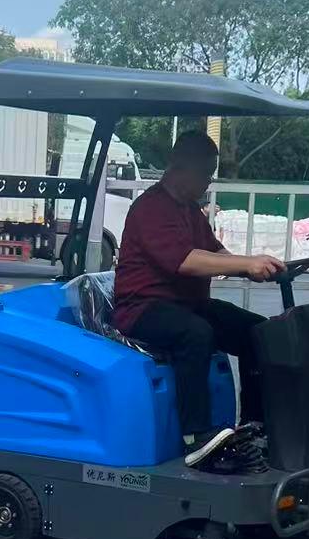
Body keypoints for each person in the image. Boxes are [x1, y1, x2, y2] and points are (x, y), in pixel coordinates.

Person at [111, 130, 285, 466]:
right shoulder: (151, 208)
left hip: (186, 306)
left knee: (257, 331)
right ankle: (196, 437)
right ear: (182, 167)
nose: (208, 182)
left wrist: (253, 267)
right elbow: (186, 261)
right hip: (142, 309)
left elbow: (215, 252)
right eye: (206, 173)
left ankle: (254, 424)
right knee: (196, 333)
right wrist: (245, 264)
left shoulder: (190, 211)